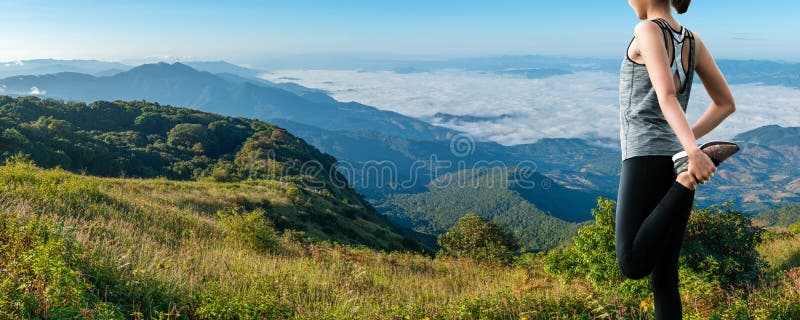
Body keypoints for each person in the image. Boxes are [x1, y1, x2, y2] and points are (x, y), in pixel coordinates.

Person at [615, 0, 740, 318]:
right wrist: (687, 148)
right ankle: (684, 174)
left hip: (645, 157)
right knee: (665, 276)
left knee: (632, 263)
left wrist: (692, 156)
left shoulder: (645, 30)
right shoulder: (693, 40)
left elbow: (665, 94)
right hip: (676, 156)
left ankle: (685, 178)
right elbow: (725, 104)